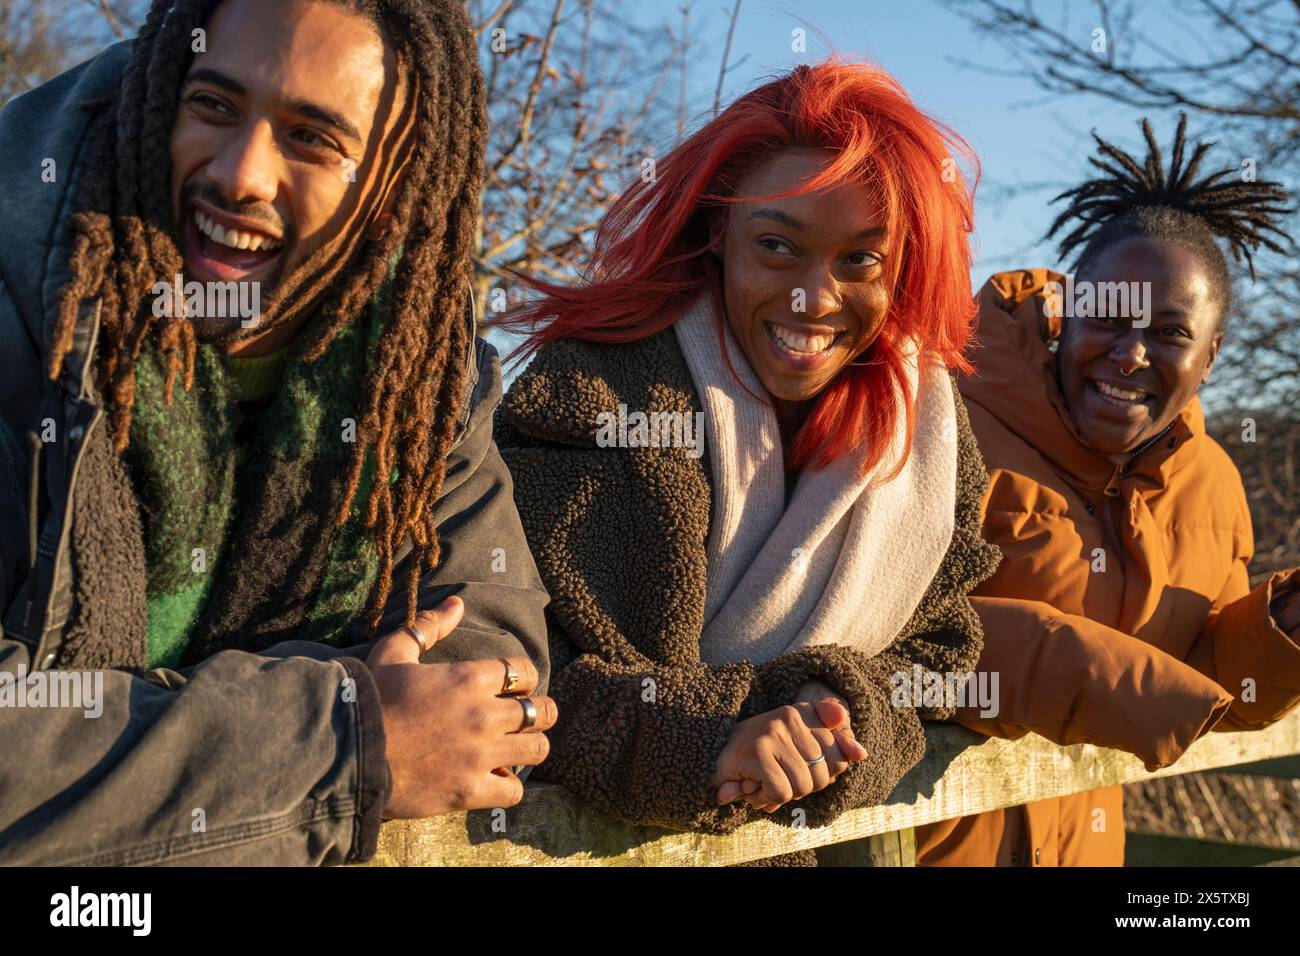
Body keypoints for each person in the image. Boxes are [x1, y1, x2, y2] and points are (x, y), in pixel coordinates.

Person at [0, 0, 554, 866]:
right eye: (213, 105)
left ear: (393, 184)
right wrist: (340, 736)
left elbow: (493, 666)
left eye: (312, 139)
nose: (242, 174)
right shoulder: (25, 318)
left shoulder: (426, 385)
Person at [495, 61, 1001, 851]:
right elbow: (512, 656)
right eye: (777, 245)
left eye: (860, 260)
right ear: (716, 237)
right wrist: (704, 744)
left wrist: (833, 711)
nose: (815, 297)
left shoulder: (931, 436)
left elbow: (940, 654)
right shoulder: (596, 391)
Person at [915, 115, 1300, 866]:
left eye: (1169, 333)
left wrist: (1288, 627)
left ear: (1211, 356)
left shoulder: (1213, 483)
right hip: (917, 847)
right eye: (1110, 318)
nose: (1129, 354)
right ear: (1068, 308)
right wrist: (1110, 684)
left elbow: (1203, 684)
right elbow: (893, 634)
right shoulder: (939, 418)